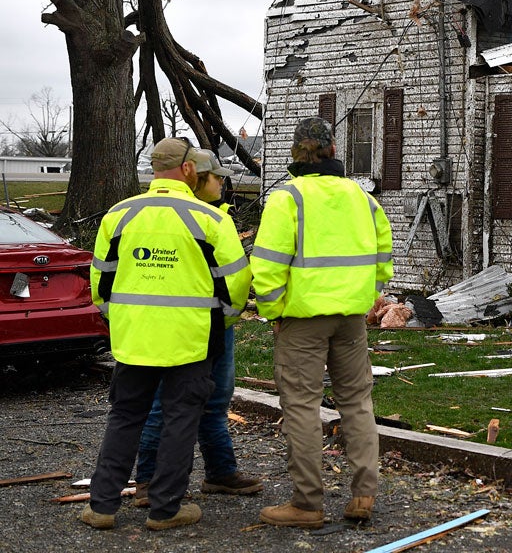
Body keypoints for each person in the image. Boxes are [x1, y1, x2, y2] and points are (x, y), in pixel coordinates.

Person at [81, 138, 250, 531]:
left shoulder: (119, 216)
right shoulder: (209, 219)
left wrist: (122, 318)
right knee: (180, 419)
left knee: (124, 417)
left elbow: (99, 283)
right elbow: (237, 285)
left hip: (134, 338)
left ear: (155, 169)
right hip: (190, 341)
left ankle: (102, 507)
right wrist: (218, 322)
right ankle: (166, 509)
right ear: (189, 169)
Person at [252, 117, 392, 529]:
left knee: (302, 407)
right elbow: (383, 255)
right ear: (333, 149)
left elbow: (268, 266)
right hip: (351, 319)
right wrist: (366, 296)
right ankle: (364, 494)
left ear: (296, 153)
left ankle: (307, 504)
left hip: (302, 321)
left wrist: (274, 312)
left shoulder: (287, 199)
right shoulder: (361, 197)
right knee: (357, 404)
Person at [132, 149, 261, 508]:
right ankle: (149, 481)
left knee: (215, 399)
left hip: (215, 325)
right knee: (166, 402)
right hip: (186, 326)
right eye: (216, 176)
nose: (223, 181)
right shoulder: (187, 217)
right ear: (194, 177)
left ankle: (221, 472)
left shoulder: (216, 216)